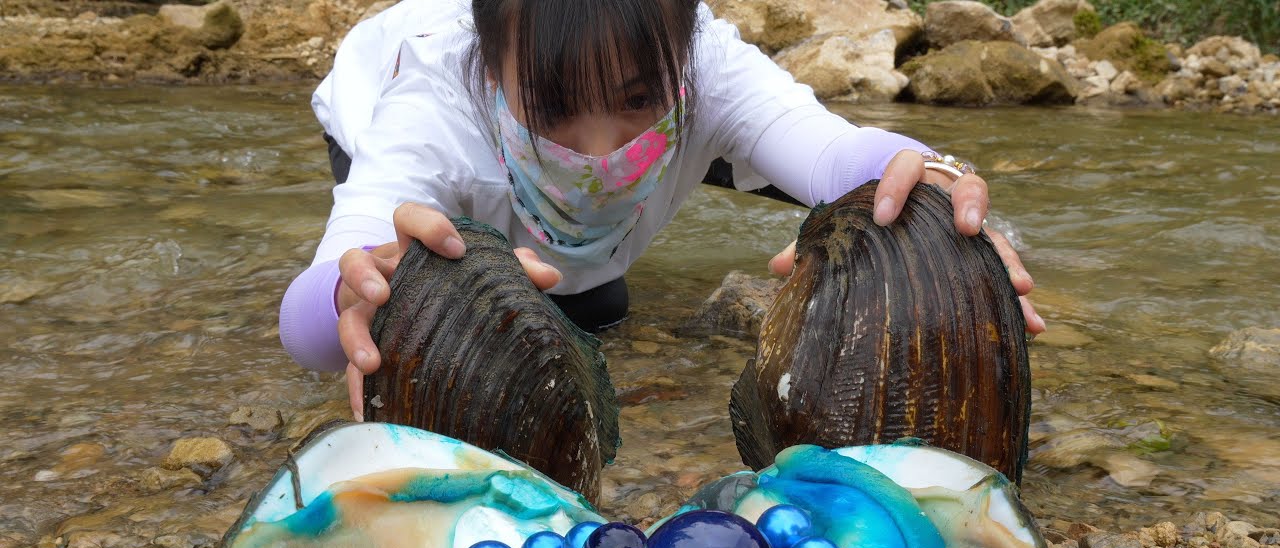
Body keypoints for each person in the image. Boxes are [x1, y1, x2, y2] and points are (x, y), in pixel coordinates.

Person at [279, 0, 1045, 419]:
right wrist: (355, 291)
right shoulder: (433, 109)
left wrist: (933, 175)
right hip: (369, 95)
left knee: (594, 310)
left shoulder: (707, 65)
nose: (603, 148)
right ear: (490, 71)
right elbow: (307, 329)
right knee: (425, 318)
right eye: (553, 109)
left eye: (638, 100)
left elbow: (831, 153)